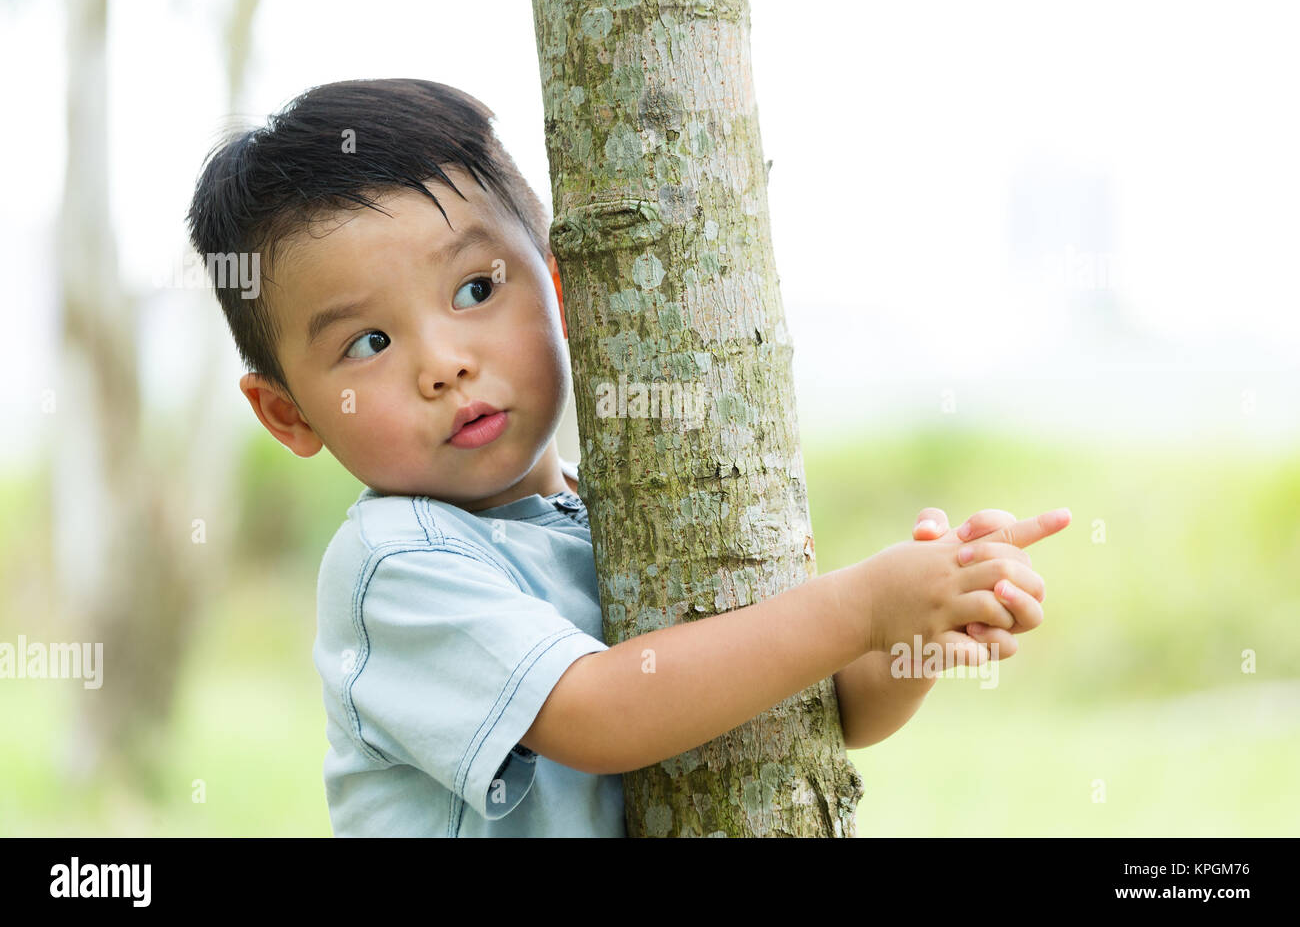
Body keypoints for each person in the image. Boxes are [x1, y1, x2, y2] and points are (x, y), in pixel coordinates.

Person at [186, 77, 1070, 836]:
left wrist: (913, 629)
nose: (444, 363)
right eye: (370, 341)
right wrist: (859, 606)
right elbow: (601, 713)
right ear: (288, 414)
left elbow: (810, 711)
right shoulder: (394, 565)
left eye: (475, 289)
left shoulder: (618, 512)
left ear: (562, 288)